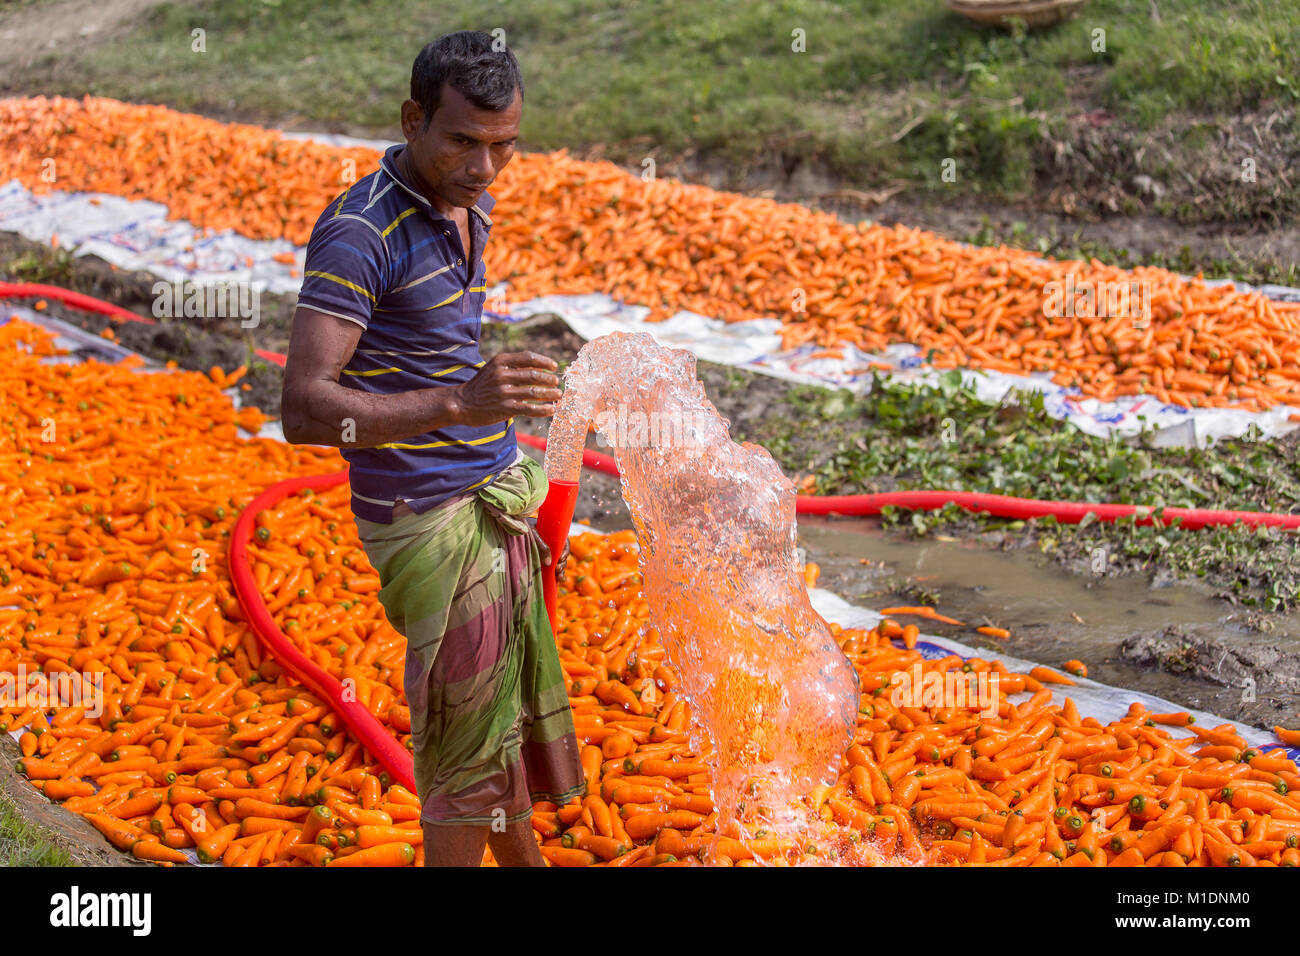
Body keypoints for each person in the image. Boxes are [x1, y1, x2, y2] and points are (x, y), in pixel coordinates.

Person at [280, 30, 584, 867]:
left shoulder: (465, 202)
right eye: (463, 141)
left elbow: (438, 347)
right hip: (428, 520)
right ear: (414, 119)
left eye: (504, 146)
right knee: (464, 759)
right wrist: (460, 402)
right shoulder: (359, 232)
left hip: (487, 496)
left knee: (495, 733)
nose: (486, 168)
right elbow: (304, 409)